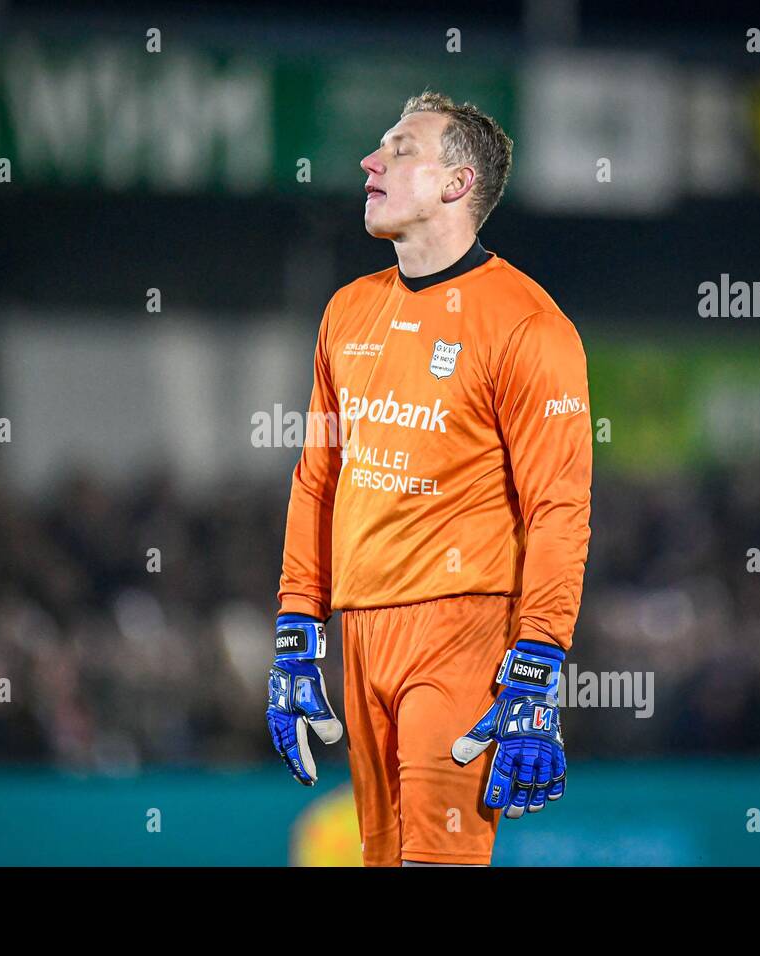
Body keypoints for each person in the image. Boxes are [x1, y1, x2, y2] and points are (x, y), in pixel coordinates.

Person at [266, 91, 593, 867]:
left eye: (400, 149)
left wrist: (538, 664)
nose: (369, 163)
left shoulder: (528, 324)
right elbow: (318, 477)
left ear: (456, 184)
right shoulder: (347, 311)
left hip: (464, 632)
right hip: (361, 631)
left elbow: (560, 508)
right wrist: (295, 632)